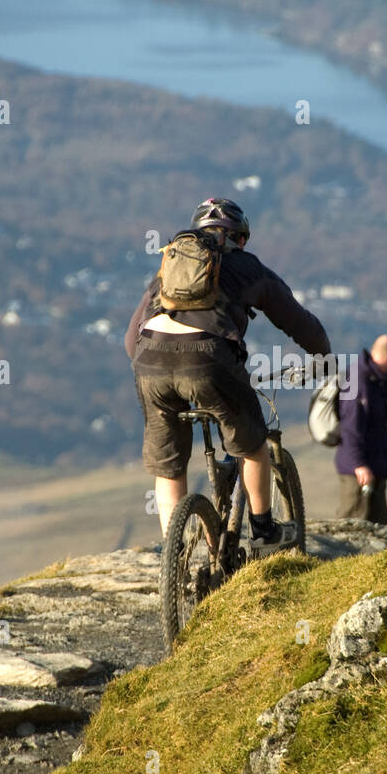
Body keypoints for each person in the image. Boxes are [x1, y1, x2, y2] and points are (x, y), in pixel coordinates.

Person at [125, 197, 331, 551]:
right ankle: (264, 533)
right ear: (239, 238)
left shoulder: (168, 268)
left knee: (169, 464)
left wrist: (155, 370)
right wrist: (324, 356)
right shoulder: (247, 267)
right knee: (252, 444)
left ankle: (175, 557)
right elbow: (296, 319)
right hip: (209, 359)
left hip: (150, 360)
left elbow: (131, 338)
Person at [334, 335, 387, 525]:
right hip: (359, 472)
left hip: (374, 465)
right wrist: (359, 464)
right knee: (352, 525)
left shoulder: (375, 380)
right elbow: (350, 427)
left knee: (377, 523)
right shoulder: (360, 381)